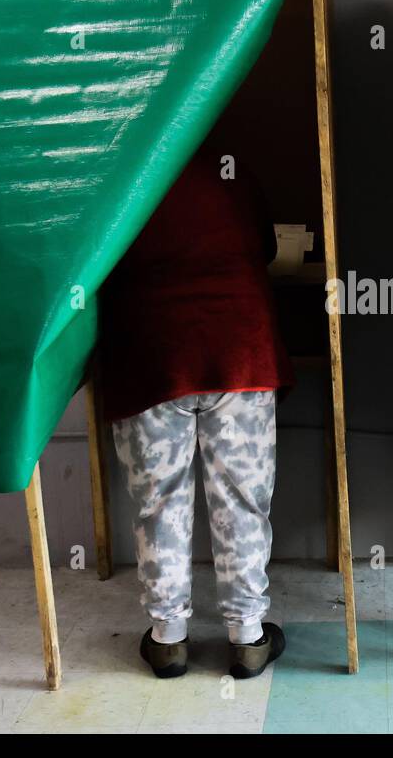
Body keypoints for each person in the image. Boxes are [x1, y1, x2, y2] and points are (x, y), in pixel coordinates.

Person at [97, 148, 294, 679]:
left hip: (151, 355)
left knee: (158, 500)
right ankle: (249, 637)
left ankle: (167, 641)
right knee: (242, 500)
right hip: (239, 350)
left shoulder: (121, 169)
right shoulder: (231, 166)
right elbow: (269, 248)